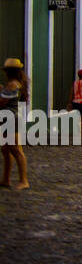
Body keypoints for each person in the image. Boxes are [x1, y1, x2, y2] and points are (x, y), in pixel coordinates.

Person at [1, 58, 30, 190]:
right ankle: (6, 179)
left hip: (10, 119)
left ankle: (24, 180)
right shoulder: (11, 84)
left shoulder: (13, 84)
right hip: (5, 118)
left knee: (16, 150)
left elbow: (2, 102)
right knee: (6, 150)